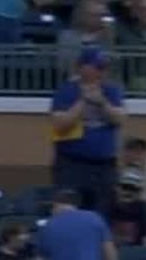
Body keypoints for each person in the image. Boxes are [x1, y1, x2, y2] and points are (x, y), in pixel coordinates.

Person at [49, 47, 127, 216]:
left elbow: (120, 119)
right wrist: (83, 101)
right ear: (82, 67)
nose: (102, 72)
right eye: (97, 67)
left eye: (104, 67)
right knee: (68, 211)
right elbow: (60, 124)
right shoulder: (67, 90)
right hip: (72, 163)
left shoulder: (111, 91)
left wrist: (102, 102)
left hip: (104, 166)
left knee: (102, 213)